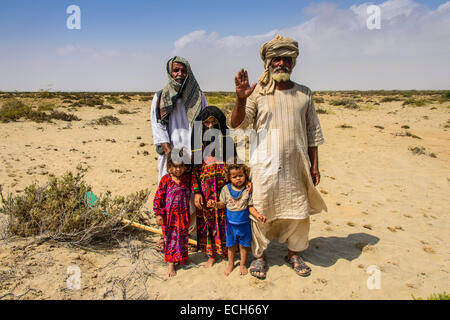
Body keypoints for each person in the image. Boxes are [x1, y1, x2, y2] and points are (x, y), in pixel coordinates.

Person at [227, 34, 327, 280]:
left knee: (298, 211)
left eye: (286, 59)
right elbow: (237, 124)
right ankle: (260, 257)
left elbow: (313, 132)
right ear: (268, 62)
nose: (281, 63)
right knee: (261, 208)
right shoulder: (257, 93)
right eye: (277, 59)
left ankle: (294, 254)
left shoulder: (304, 94)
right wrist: (241, 99)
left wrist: (315, 166)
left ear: (292, 62)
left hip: (297, 165)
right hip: (264, 165)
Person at [150, 56, 208, 250]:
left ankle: (189, 235)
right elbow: (157, 126)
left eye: (183, 71)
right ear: (170, 72)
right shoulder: (160, 96)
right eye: (176, 70)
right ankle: (166, 235)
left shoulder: (198, 95)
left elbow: (205, 122)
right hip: (171, 158)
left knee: (191, 194)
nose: (179, 74)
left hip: (193, 154)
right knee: (169, 194)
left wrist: (199, 152)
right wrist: (169, 154)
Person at [190, 106, 250, 268]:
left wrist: (244, 182)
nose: (210, 126)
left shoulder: (226, 142)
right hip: (205, 191)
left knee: (228, 220)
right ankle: (211, 255)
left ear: (220, 124)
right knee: (208, 222)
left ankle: (230, 252)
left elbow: (236, 166)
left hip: (225, 191)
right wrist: (196, 193)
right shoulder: (198, 144)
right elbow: (194, 171)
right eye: (206, 123)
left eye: (213, 122)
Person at [207, 163, 266, 276]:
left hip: (244, 225)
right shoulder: (226, 189)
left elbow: (250, 207)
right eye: (234, 177)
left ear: (245, 175)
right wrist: (214, 204)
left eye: (240, 175)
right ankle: (230, 264)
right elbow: (222, 204)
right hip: (230, 226)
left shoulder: (247, 190)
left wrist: (258, 215)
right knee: (231, 245)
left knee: (244, 246)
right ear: (229, 178)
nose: (238, 178)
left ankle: (242, 264)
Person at [153, 150, 191, 277]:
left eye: (181, 166)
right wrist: (158, 213)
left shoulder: (187, 179)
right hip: (169, 217)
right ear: (169, 167)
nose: (178, 169)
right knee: (170, 238)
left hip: (183, 215)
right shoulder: (165, 180)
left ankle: (182, 259)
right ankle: (171, 263)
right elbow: (158, 197)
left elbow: (196, 185)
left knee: (183, 237)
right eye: (175, 166)